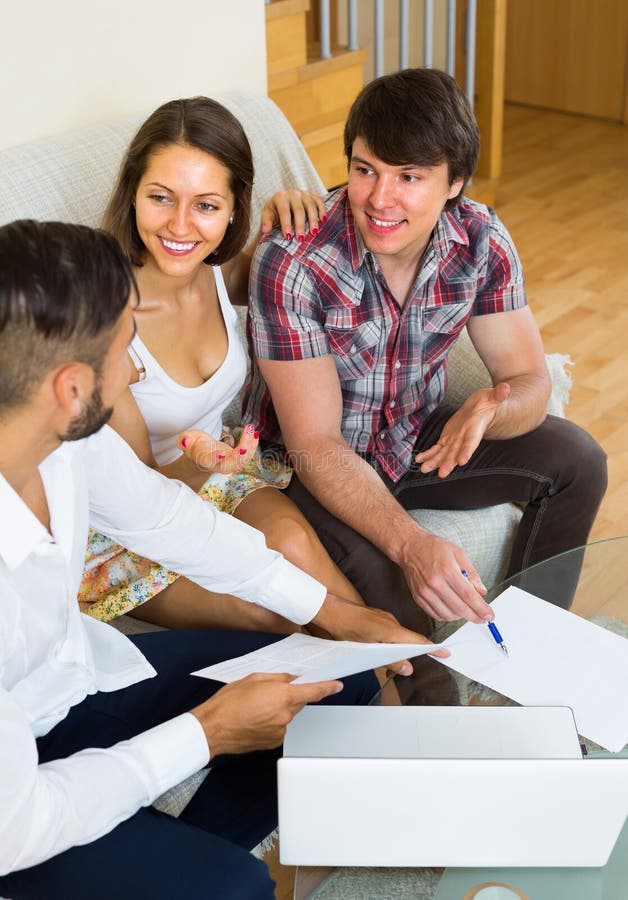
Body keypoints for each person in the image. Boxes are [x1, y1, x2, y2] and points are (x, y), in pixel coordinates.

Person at [0, 219, 445, 899]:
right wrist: (206, 732)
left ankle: (164, 861)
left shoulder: (58, 436)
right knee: (237, 888)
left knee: (334, 680)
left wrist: (337, 617)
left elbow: (168, 519)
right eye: (127, 352)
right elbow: (19, 825)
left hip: (72, 688)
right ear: (69, 387)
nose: (136, 371)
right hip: (17, 806)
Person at [244, 67, 608, 701]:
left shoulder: (480, 238)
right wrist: (413, 544)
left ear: (454, 184)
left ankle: (526, 660)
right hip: (311, 469)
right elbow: (316, 443)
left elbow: (527, 380)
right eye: (366, 170)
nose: (380, 199)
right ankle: (442, 737)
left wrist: (494, 409)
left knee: (579, 460)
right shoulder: (294, 260)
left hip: (412, 440)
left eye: (410, 177)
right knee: (406, 632)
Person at [78, 95, 365, 632]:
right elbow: (143, 500)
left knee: (299, 546)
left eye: (206, 205)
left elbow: (282, 271)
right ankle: (394, 686)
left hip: (218, 478)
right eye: (161, 198)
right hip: (128, 522)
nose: (181, 227)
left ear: (234, 207)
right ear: (132, 194)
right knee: (270, 611)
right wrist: (200, 463)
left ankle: (408, 679)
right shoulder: (103, 318)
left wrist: (285, 214)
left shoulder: (218, 268)